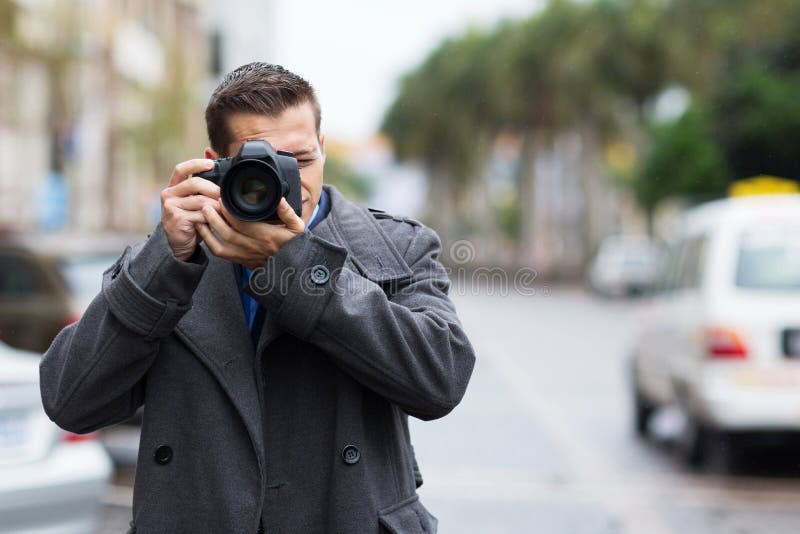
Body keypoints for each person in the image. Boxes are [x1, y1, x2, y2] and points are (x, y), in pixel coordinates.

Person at [39, 62, 475, 534]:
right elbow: (70, 401)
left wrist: (297, 269)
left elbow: (442, 378)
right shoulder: (175, 258)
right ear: (214, 162)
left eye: (301, 160)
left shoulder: (397, 246)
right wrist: (165, 262)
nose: (286, 184)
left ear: (322, 148)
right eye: (260, 166)